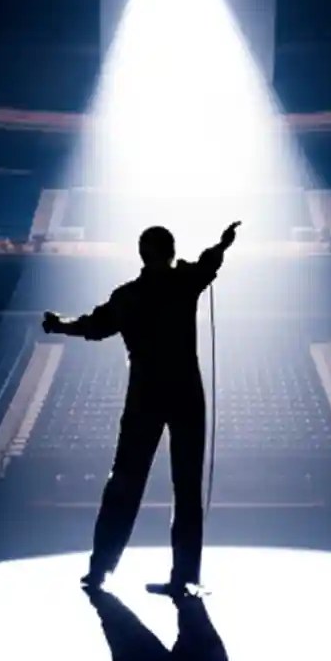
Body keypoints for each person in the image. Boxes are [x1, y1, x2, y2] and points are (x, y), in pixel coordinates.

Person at [43, 221, 241, 596]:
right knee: (186, 488)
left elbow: (92, 326)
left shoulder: (128, 297)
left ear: (142, 254)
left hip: (145, 394)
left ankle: (100, 569)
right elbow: (208, 264)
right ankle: (184, 576)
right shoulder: (182, 283)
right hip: (185, 391)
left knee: (125, 480)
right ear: (169, 251)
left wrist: (58, 326)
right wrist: (222, 243)